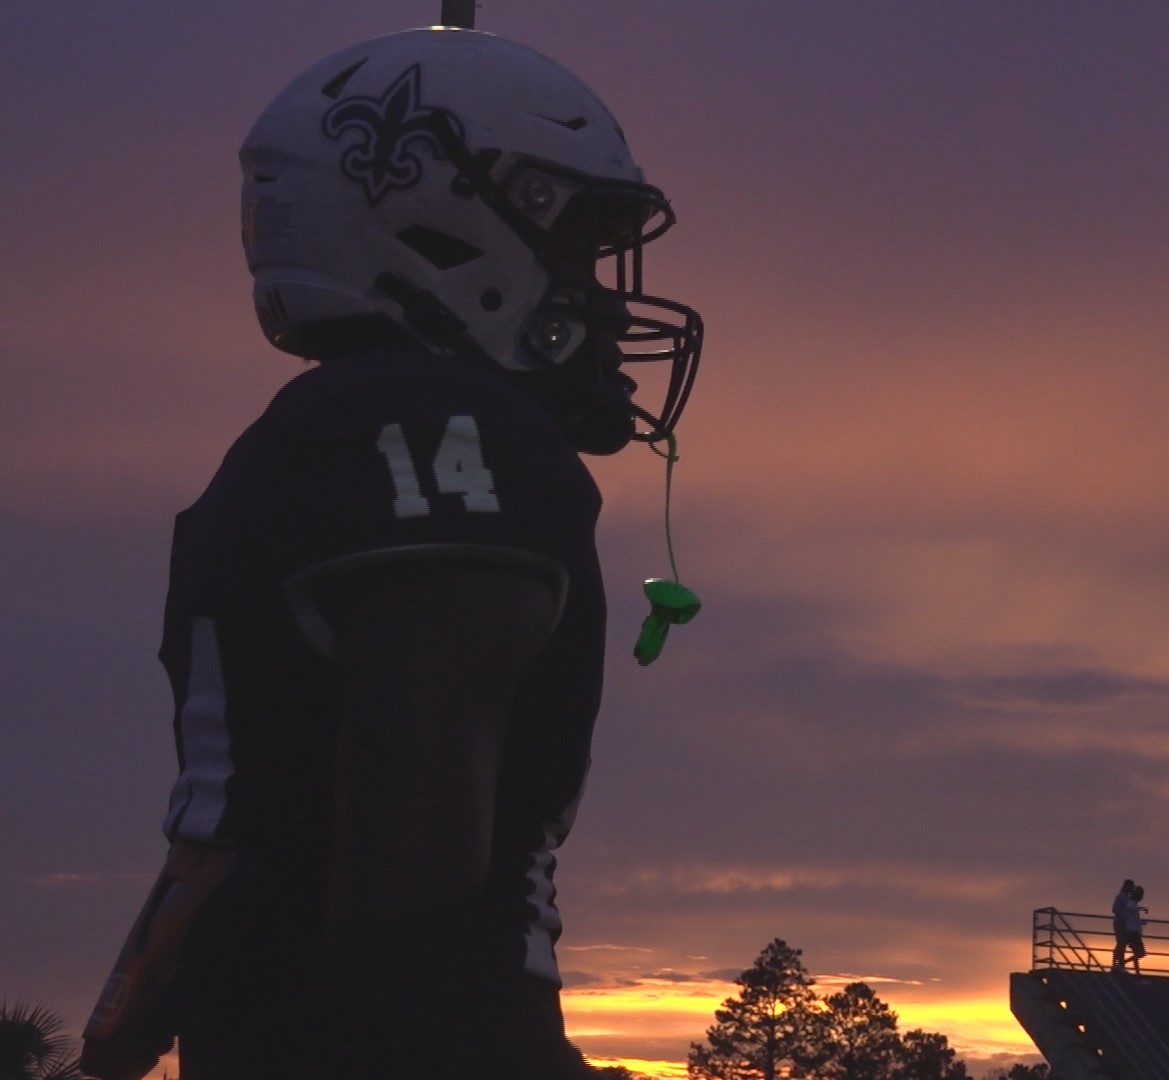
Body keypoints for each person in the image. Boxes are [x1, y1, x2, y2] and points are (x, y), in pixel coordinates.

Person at [76, 21, 704, 1080]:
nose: (599, 295)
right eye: (577, 245)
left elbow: (233, 852)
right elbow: (416, 897)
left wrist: (109, 1053)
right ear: (442, 227)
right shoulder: (436, 427)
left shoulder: (310, 436)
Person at [1110, 879, 1136, 972]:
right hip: (1121, 923)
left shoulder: (1123, 897)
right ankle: (1118, 965)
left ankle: (1118, 964)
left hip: (1123, 923)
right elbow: (1115, 909)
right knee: (1121, 944)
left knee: (1121, 944)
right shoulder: (1122, 897)